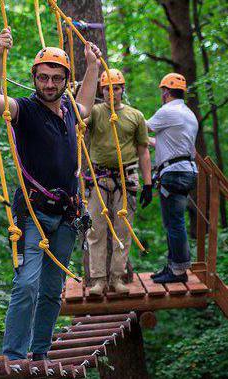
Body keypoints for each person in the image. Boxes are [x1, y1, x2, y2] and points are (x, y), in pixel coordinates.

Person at [0, 27, 101, 361]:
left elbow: (88, 107)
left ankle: (40, 354)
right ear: (34, 78)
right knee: (26, 285)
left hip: (66, 215)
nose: (50, 84)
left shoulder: (68, 112)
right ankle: (14, 356)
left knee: (52, 291)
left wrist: (92, 67)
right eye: (43, 78)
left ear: (65, 81)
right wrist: (0, 55)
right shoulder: (25, 110)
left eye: (57, 78)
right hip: (33, 213)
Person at [84, 69, 152, 296]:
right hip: (98, 177)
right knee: (96, 230)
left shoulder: (135, 116)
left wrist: (149, 183)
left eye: (116, 88)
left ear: (123, 89)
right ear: (101, 90)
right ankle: (98, 280)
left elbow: (143, 151)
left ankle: (116, 278)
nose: (111, 92)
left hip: (126, 177)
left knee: (122, 230)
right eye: (106, 88)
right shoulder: (94, 113)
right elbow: (78, 118)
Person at [146, 73, 198, 284]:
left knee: (174, 223)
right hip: (185, 170)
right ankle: (174, 265)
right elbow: (170, 145)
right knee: (174, 222)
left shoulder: (168, 111)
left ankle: (178, 271)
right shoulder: (188, 114)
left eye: (162, 91)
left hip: (174, 174)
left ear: (166, 91)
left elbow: (142, 127)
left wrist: (124, 114)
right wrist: (149, 142)